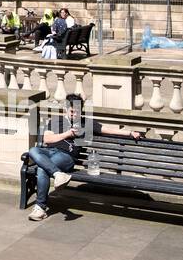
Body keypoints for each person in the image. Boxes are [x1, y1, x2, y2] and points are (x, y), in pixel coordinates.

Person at [26, 93, 141, 221]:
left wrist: (130, 133)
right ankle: (58, 174)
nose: (75, 115)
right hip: (49, 151)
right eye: (72, 112)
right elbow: (47, 139)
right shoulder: (56, 121)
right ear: (66, 109)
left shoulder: (86, 123)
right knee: (33, 150)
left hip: (66, 156)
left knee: (43, 168)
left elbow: (108, 129)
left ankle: (40, 207)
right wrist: (67, 134)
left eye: (78, 112)